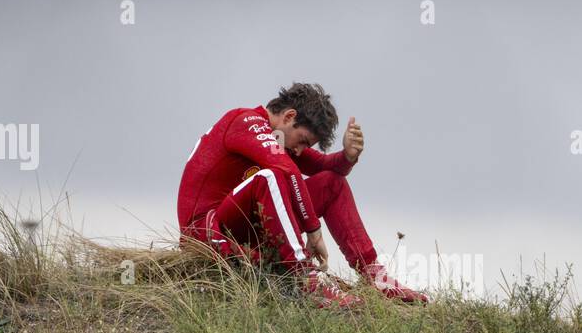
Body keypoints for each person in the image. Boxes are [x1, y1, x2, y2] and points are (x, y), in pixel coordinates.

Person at [177, 82, 428, 307]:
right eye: (303, 140)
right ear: (289, 116)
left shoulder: (278, 137)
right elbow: (286, 171)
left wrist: (347, 157)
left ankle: (375, 276)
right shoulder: (245, 122)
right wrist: (312, 228)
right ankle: (305, 278)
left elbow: (324, 167)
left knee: (332, 183)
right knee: (272, 177)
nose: (299, 150)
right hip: (206, 234)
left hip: (244, 229)